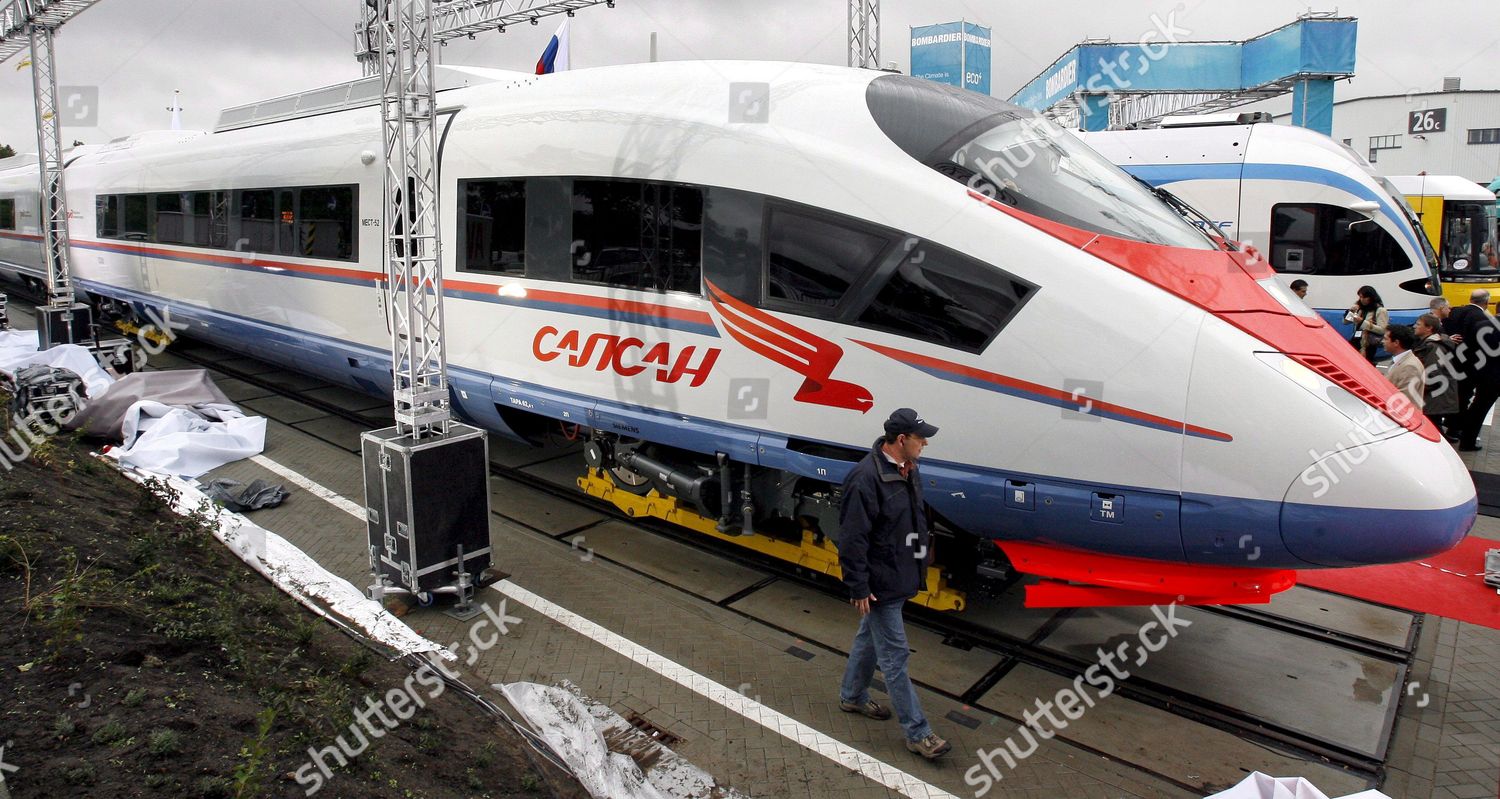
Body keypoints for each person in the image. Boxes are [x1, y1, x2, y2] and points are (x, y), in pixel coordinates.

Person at [836, 408, 951, 761]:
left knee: (868, 639)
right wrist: (858, 586)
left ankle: (852, 696)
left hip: (900, 572)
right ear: (901, 440)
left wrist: (920, 560)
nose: (925, 442)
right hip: (881, 582)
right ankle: (918, 733)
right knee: (896, 655)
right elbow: (852, 538)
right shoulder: (865, 478)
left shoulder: (908, 469)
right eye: (920, 437)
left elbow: (914, 519)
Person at [1414, 313, 1462, 439]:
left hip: (1434, 397)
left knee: (1432, 430)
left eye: (1418, 324)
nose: (1415, 326)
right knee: (1435, 426)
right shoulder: (1430, 344)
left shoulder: (1433, 347)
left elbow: (1433, 374)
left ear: (1429, 328)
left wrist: (1419, 391)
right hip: (1438, 396)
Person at [1383, 324, 1425, 417]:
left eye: (1386, 339)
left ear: (1396, 342)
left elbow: (1403, 400)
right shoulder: (1401, 361)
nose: (1383, 342)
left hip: (1401, 419)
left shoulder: (1410, 366)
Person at [1346, 286, 1388, 363]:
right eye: (1360, 297)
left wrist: (1362, 322)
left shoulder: (1380, 310)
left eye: (1363, 297)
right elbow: (1345, 322)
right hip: (1355, 340)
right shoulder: (1360, 308)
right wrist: (1350, 312)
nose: (1361, 300)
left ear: (1370, 297)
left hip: (1368, 344)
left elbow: (1382, 330)